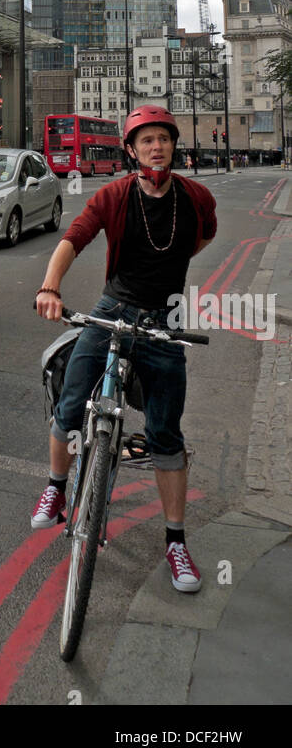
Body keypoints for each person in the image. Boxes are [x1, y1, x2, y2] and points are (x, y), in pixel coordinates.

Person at [32, 105, 217, 593]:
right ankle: (55, 489)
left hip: (165, 321)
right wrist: (50, 288)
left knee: (165, 435)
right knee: (72, 404)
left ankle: (175, 542)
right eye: (147, 140)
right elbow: (73, 239)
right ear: (132, 151)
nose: (157, 147)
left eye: (164, 138)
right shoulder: (113, 195)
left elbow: (201, 239)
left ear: (174, 145)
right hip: (114, 308)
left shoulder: (196, 198)